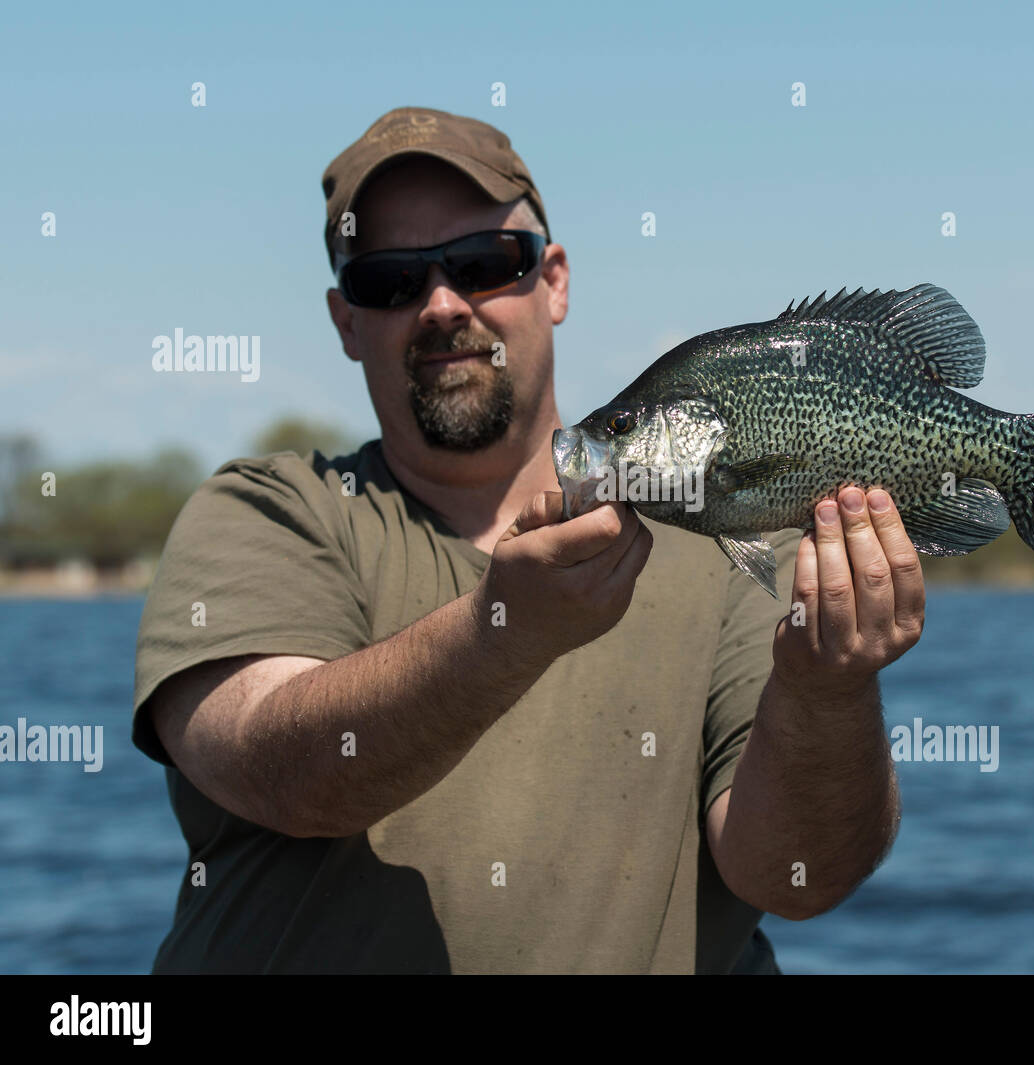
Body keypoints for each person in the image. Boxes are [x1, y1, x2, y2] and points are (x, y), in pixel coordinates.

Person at [131, 107, 924, 974]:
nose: (441, 304)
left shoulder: (735, 538)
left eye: (483, 264)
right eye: (388, 281)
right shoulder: (269, 510)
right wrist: (501, 633)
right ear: (345, 321)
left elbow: (797, 877)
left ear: (554, 279)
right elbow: (278, 769)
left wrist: (829, 689)